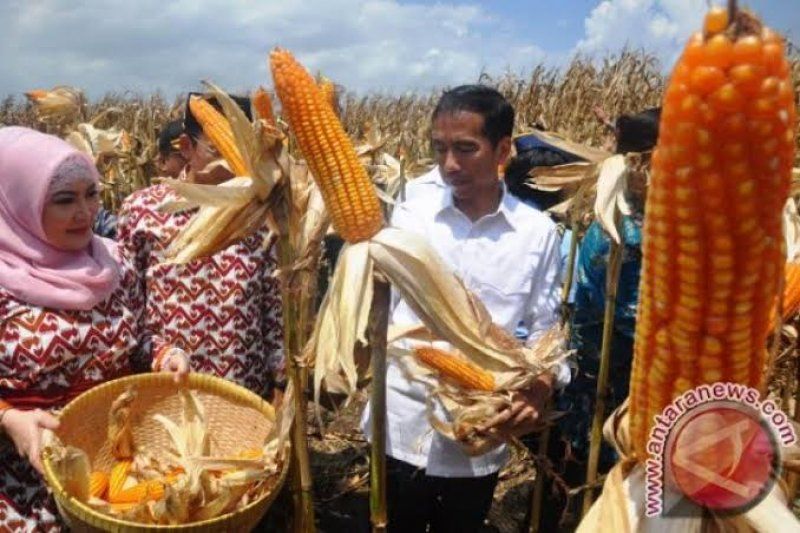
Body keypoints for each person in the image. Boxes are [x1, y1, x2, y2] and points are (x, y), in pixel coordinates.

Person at [361, 85, 568, 532]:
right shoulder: (410, 215)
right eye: (440, 149)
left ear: (503, 149)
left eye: (466, 148)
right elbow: (379, 306)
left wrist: (539, 387)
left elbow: (546, 330)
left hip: (479, 436)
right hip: (399, 419)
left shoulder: (537, 234)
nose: (450, 164)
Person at [0, 126, 188, 531]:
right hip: (20, 487)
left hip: (110, 473)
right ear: (17, 204)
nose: (85, 212)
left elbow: (138, 340)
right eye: (64, 200)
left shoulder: (114, 264)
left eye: (92, 194)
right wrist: (9, 418)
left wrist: (164, 354)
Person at [529, 107, 660, 531]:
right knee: (588, 474)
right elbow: (633, 320)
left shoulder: (636, 217)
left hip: (609, 379)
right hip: (604, 380)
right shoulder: (627, 233)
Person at [117, 93, 284, 399]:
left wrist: (282, 386)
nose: (237, 165)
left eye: (247, 151)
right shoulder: (143, 209)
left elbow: (274, 314)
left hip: (243, 394)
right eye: (219, 150)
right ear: (186, 147)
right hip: (164, 393)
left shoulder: (264, 214)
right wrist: (159, 355)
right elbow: (128, 307)